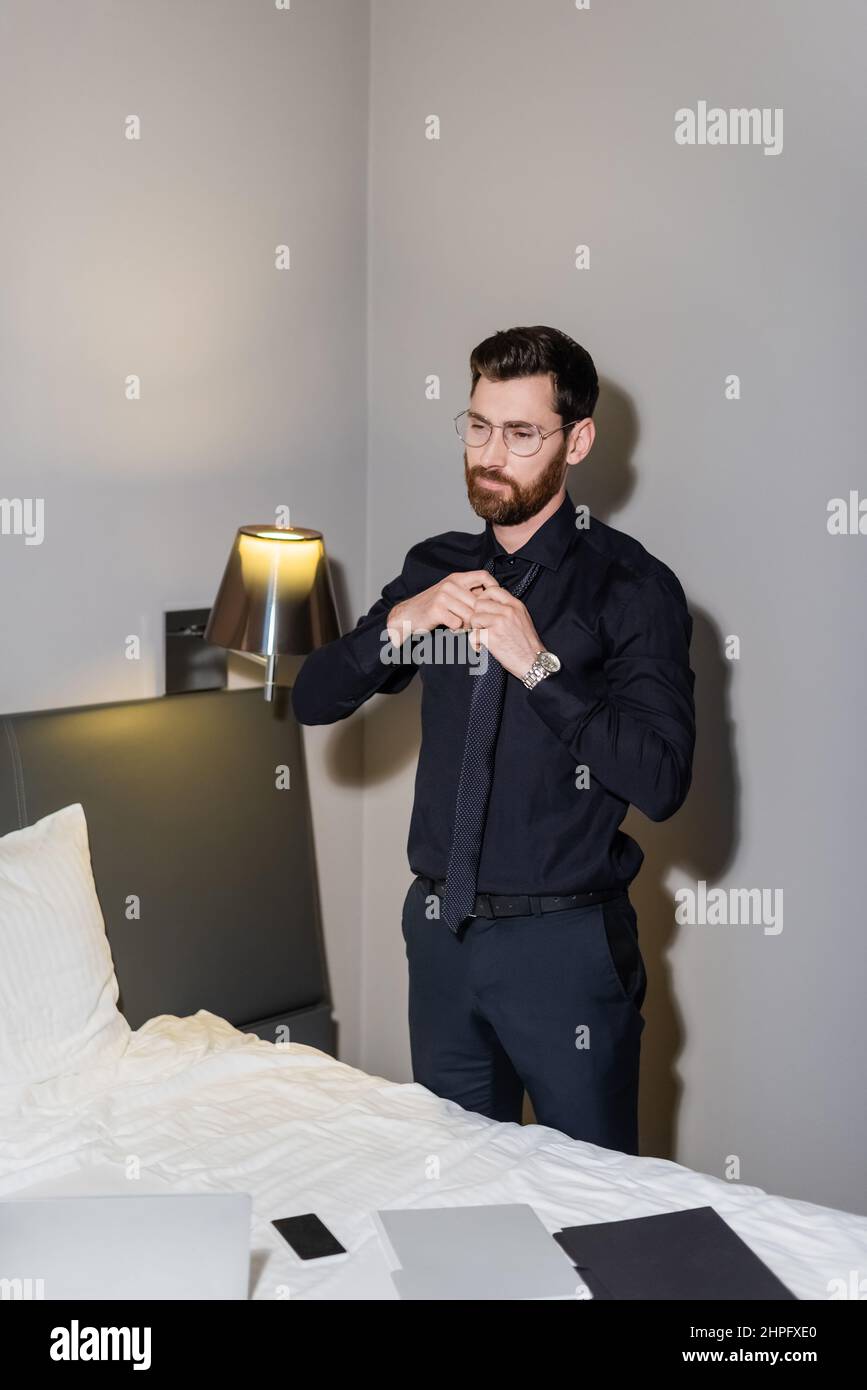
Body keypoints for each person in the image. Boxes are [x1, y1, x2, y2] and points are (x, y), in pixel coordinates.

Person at [292, 325, 695, 1154]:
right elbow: (313, 699)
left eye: (519, 433)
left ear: (575, 440)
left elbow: (660, 781)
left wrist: (538, 667)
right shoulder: (433, 569)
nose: (489, 453)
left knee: (595, 1212)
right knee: (454, 1193)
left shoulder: (631, 588)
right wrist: (400, 624)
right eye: (476, 425)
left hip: (566, 951)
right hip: (441, 936)